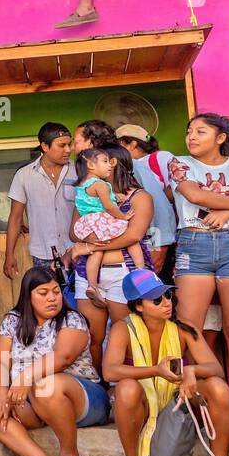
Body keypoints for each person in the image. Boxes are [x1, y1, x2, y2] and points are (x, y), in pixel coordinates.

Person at [103, 268, 229, 456]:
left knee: (218, 388)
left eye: (167, 296)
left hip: (176, 399)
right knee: (126, 388)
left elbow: (216, 369)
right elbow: (109, 371)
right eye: (157, 299)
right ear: (139, 306)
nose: (166, 303)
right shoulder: (123, 328)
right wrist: (156, 370)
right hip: (142, 405)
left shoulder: (182, 326)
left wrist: (189, 370)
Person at [166, 113, 229, 417]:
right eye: (189, 131)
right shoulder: (179, 163)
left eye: (200, 131)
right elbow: (194, 195)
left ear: (221, 138)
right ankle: (185, 397)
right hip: (194, 245)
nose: (191, 136)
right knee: (188, 328)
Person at [0, 267, 108, 456]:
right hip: (34, 401)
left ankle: (70, 455)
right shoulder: (13, 320)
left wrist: (24, 379)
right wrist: (0, 394)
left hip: (83, 399)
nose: (52, 298)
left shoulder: (72, 319)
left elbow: (63, 358)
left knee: (44, 386)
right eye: (43, 292)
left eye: (56, 291)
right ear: (28, 296)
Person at [69, 147, 154, 367]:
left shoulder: (140, 197)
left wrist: (88, 248)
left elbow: (133, 236)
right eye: (102, 161)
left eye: (107, 160)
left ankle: (125, 388)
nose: (105, 165)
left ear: (114, 163)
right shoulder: (89, 194)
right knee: (93, 337)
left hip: (122, 273)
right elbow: (74, 230)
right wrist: (86, 247)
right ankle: (99, 387)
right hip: (87, 274)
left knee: (124, 334)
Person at [5, 122, 75, 279]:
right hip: (43, 255)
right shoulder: (24, 175)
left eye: (69, 144)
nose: (68, 150)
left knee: (79, 302)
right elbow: (15, 218)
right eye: (62, 145)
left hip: (76, 252)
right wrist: (9, 255)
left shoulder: (80, 171)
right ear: (45, 146)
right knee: (48, 300)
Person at [72, 148, 135, 306]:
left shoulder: (83, 184)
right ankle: (140, 269)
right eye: (105, 161)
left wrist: (115, 197)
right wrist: (122, 215)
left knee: (97, 253)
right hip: (100, 220)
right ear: (91, 165)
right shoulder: (101, 184)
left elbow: (99, 200)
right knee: (130, 235)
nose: (110, 165)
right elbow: (108, 206)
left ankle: (92, 285)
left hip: (86, 223)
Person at [115, 123, 178, 272]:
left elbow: (162, 204)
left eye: (118, 144)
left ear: (132, 144)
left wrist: (159, 246)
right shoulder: (124, 168)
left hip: (158, 236)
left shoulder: (155, 159)